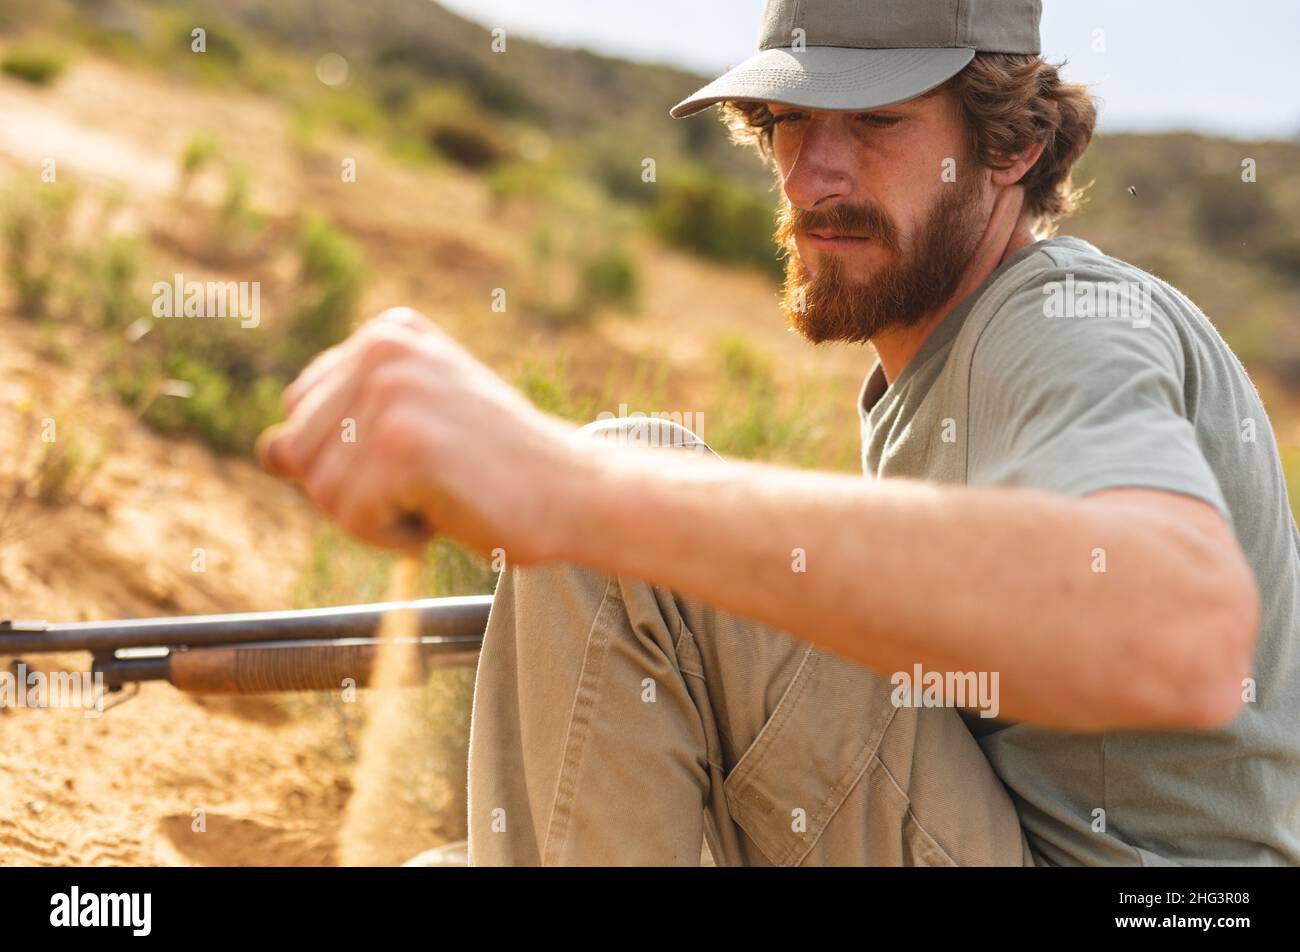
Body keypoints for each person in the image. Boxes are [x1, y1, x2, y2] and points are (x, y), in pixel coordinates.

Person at [259, 0, 1300, 865]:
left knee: (633, 479)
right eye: (785, 122)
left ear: (1012, 144)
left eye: (878, 121)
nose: (811, 178)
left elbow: (1176, 627)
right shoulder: (936, 367)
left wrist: (573, 489)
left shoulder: (1060, 321)